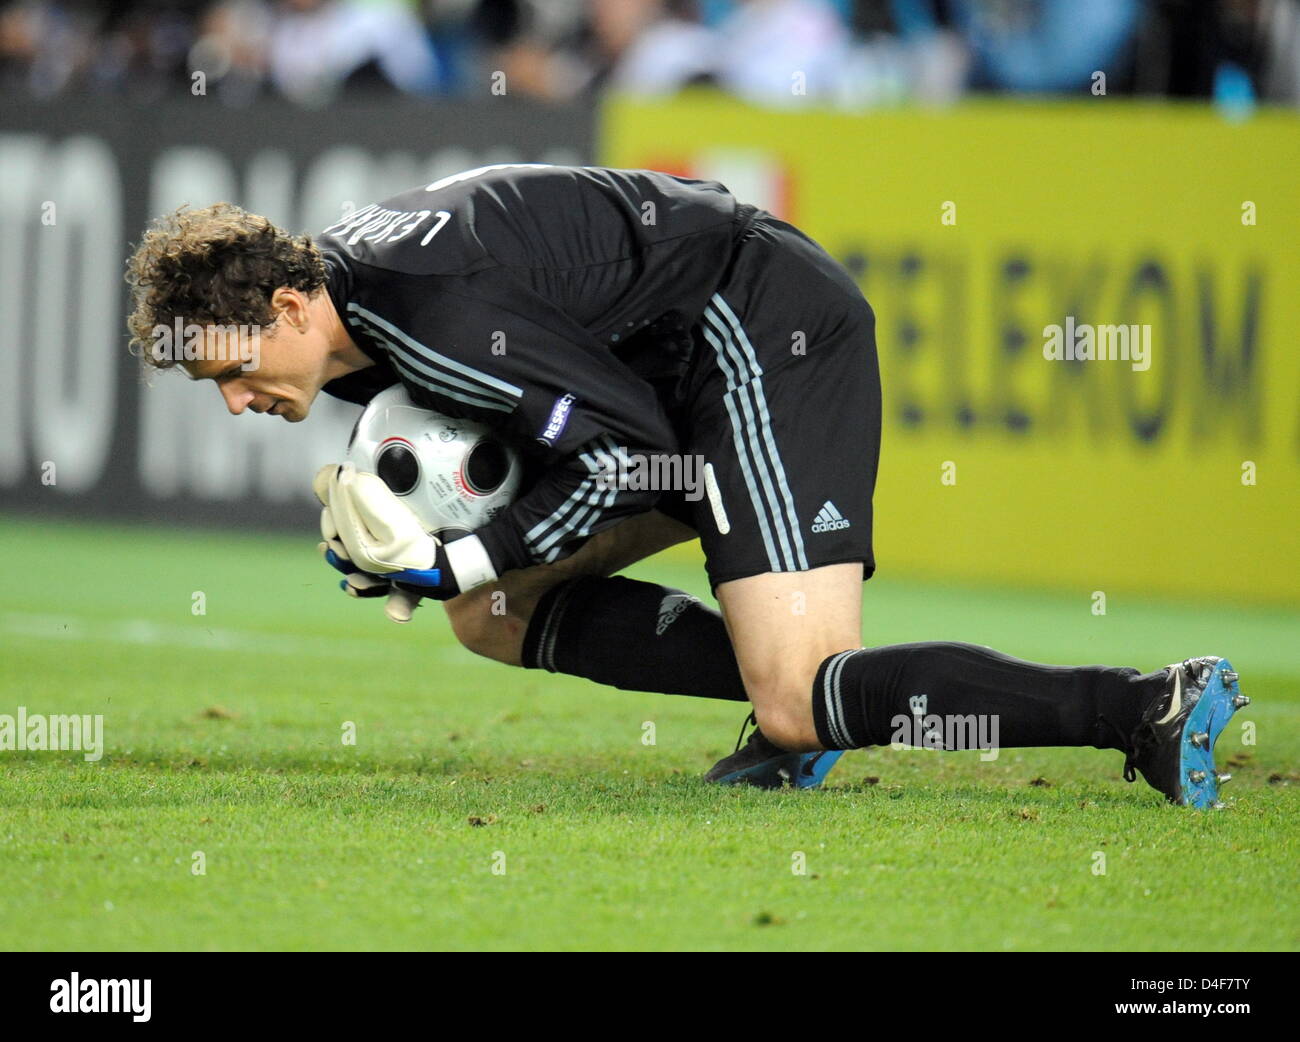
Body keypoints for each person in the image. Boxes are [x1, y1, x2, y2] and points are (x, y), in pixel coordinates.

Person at [125, 163, 1248, 806]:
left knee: (794, 690)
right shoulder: (349, 303)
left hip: (759, 327)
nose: (232, 400)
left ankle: (1139, 703)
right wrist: (433, 550)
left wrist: (452, 549)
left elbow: (610, 453)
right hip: (662, 381)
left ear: (278, 308)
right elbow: (549, 429)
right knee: (493, 614)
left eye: (229, 371)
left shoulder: (431, 309)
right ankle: (800, 707)